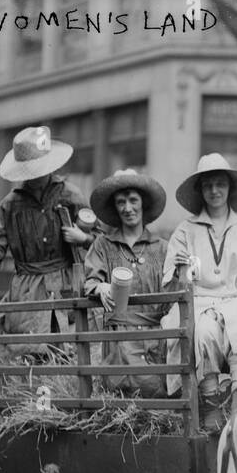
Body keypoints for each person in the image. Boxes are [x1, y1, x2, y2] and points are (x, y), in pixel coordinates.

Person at [162, 154, 237, 432]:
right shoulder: (185, 231)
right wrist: (179, 272)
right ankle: (211, 403)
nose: (214, 191)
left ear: (229, 188)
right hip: (198, 300)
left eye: (220, 184)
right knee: (204, 331)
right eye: (208, 185)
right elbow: (171, 284)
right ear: (200, 190)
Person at [0, 126, 95, 346]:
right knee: (27, 353)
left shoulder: (70, 195)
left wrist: (83, 239)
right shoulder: (10, 205)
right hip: (26, 291)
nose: (35, 175)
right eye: (29, 169)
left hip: (65, 286)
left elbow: (100, 240)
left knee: (69, 350)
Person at [83, 169, 171, 397]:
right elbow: (90, 280)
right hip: (118, 338)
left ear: (143, 204)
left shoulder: (162, 247)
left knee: (155, 395)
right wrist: (100, 286)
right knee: (119, 394)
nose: (127, 208)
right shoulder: (103, 245)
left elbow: (175, 291)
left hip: (154, 338)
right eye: (121, 202)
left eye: (133, 200)